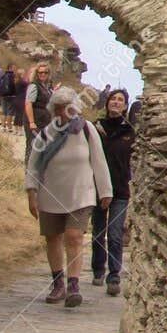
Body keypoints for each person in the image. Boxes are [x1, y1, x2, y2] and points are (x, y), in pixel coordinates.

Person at [25, 86, 112, 307]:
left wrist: (105, 191)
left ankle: (74, 285)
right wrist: (31, 194)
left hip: (81, 193)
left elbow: (99, 161)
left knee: (73, 236)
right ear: (53, 110)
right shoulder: (46, 134)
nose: (64, 113)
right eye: (60, 109)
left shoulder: (86, 130)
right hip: (50, 193)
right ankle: (58, 284)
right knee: (53, 238)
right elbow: (33, 166)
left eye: (68, 108)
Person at [91, 89, 134, 296]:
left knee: (115, 234)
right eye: (113, 99)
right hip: (98, 187)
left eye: (121, 100)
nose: (116, 103)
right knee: (98, 231)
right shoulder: (96, 128)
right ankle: (98, 269)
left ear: (125, 106)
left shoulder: (130, 131)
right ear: (107, 103)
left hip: (120, 190)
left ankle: (114, 275)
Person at [24, 62, 54, 153]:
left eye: (45, 72)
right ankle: (28, 166)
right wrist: (31, 122)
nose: (43, 74)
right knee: (32, 147)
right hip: (35, 122)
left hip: (44, 122)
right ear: (36, 73)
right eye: (40, 72)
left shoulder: (47, 87)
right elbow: (28, 104)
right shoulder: (34, 86)